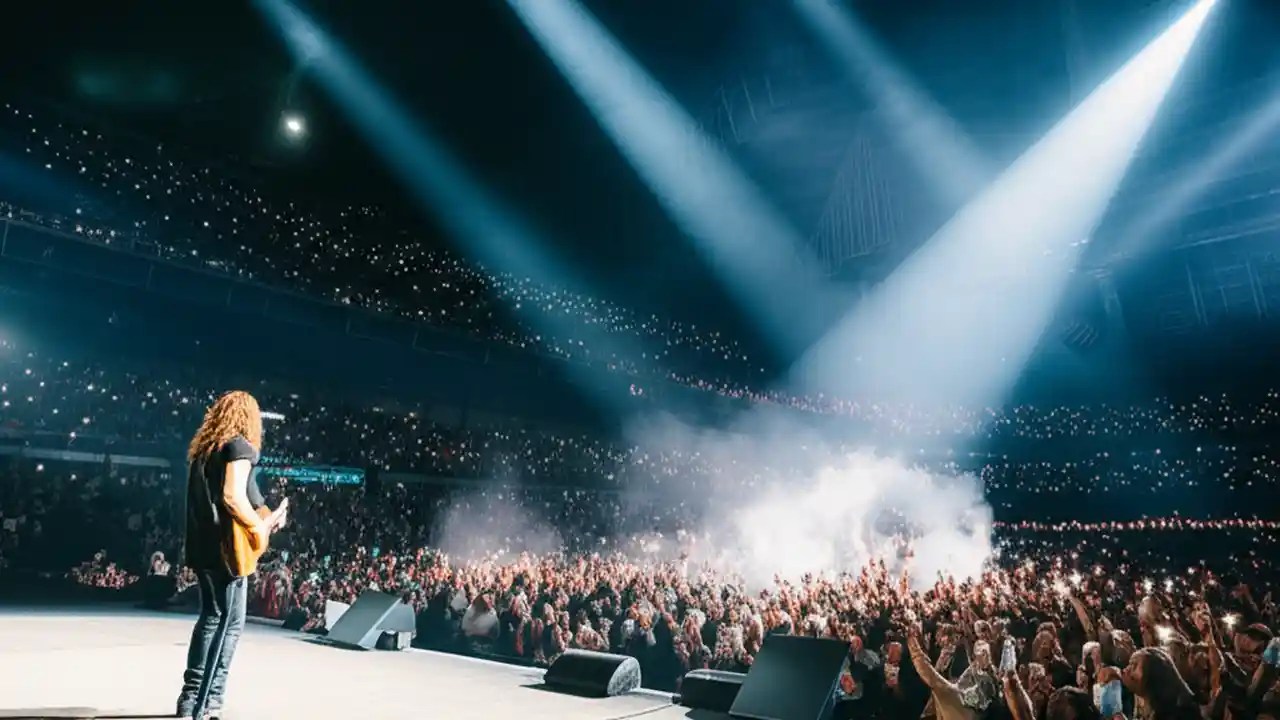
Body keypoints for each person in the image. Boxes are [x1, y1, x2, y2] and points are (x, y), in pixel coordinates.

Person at [175, 391, 287, 720]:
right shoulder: (239, 447)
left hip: (203, 548)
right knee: (228, 625)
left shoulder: (203, 452)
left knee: (210, 619)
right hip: (227, 551)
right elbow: (233, 497)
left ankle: (190, 699)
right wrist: (260, 529)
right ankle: (207, 704)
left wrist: (265, 518)